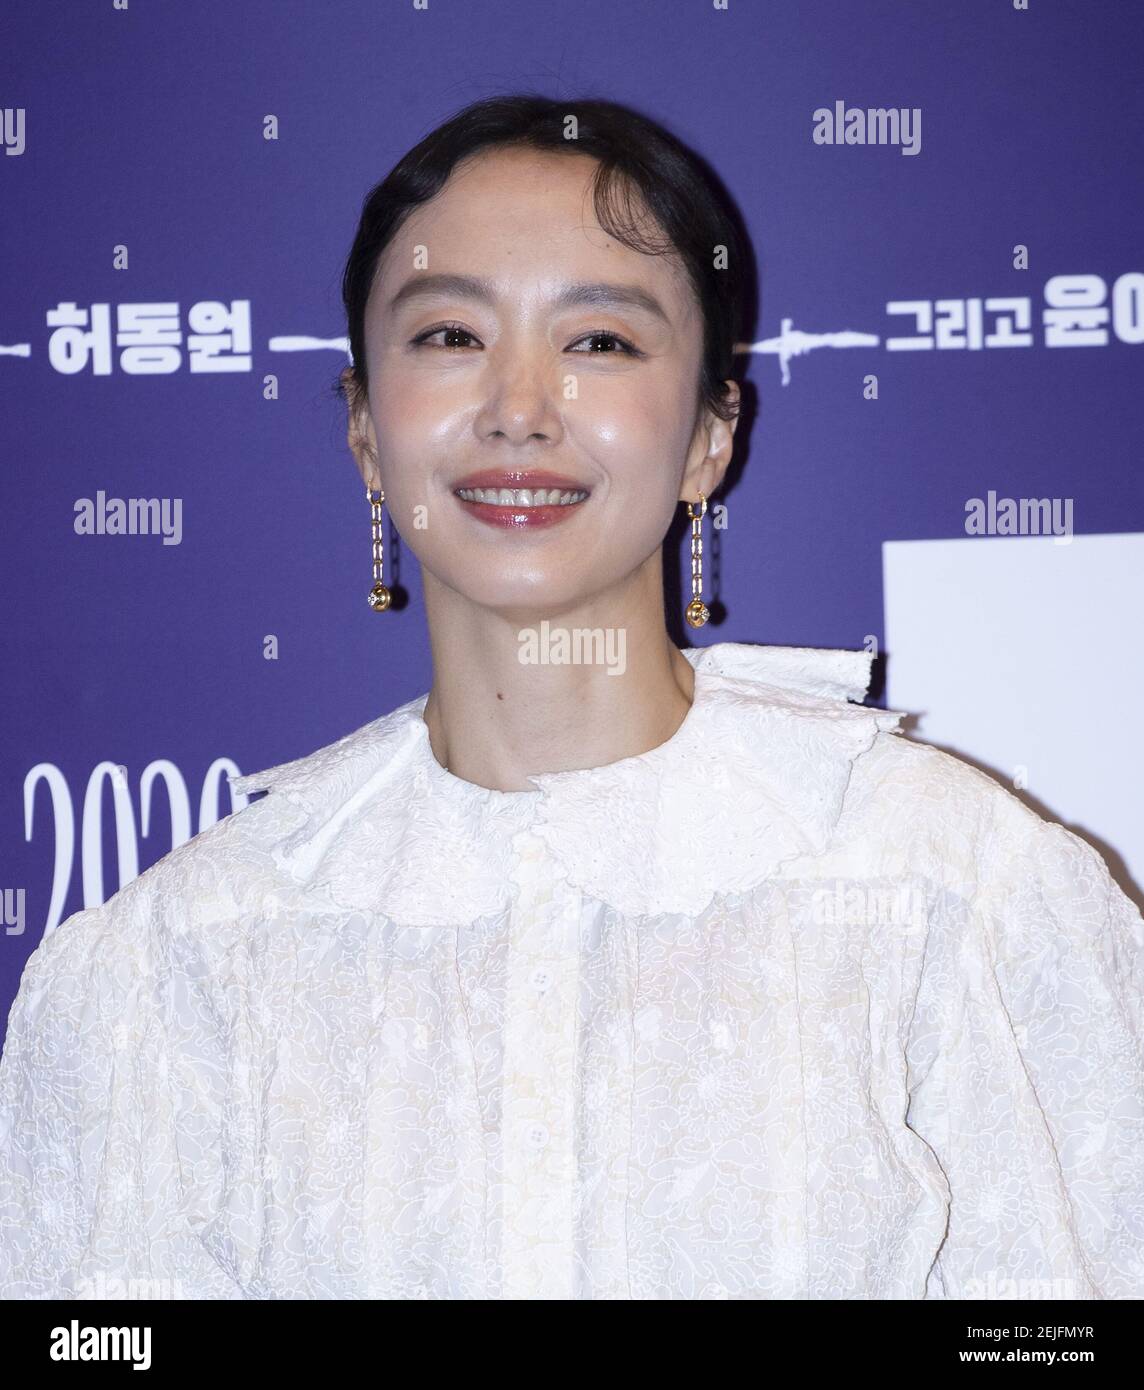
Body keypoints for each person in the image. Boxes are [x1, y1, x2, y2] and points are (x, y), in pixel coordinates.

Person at [1, 94, 1142, 1301]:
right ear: (361, 430)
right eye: (448, 335)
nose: (519, 407)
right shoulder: (179, 968)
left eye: (600, 341)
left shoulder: (954, 898)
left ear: (711, 433)